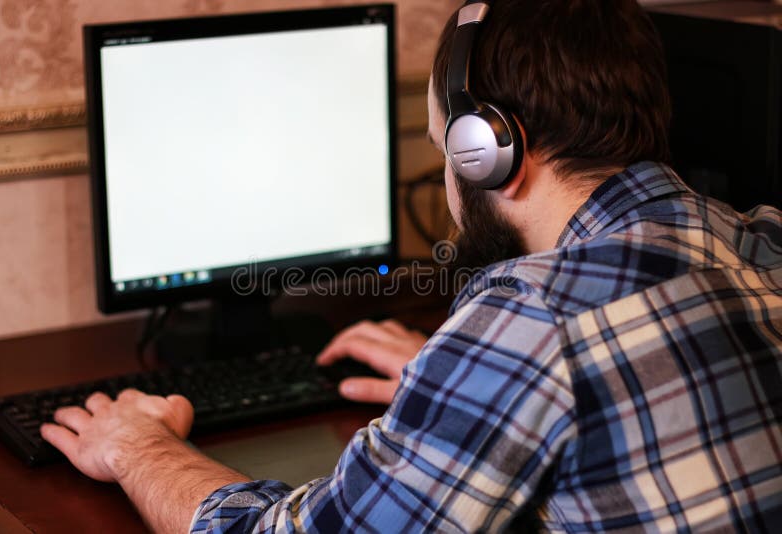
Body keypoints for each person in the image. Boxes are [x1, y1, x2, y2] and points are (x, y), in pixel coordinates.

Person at [41, 0, 782, 532]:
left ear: (489, 153)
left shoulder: (529, 321)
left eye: (442, 149)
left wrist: (140, 448)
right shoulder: (756, 241)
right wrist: (460, 381)